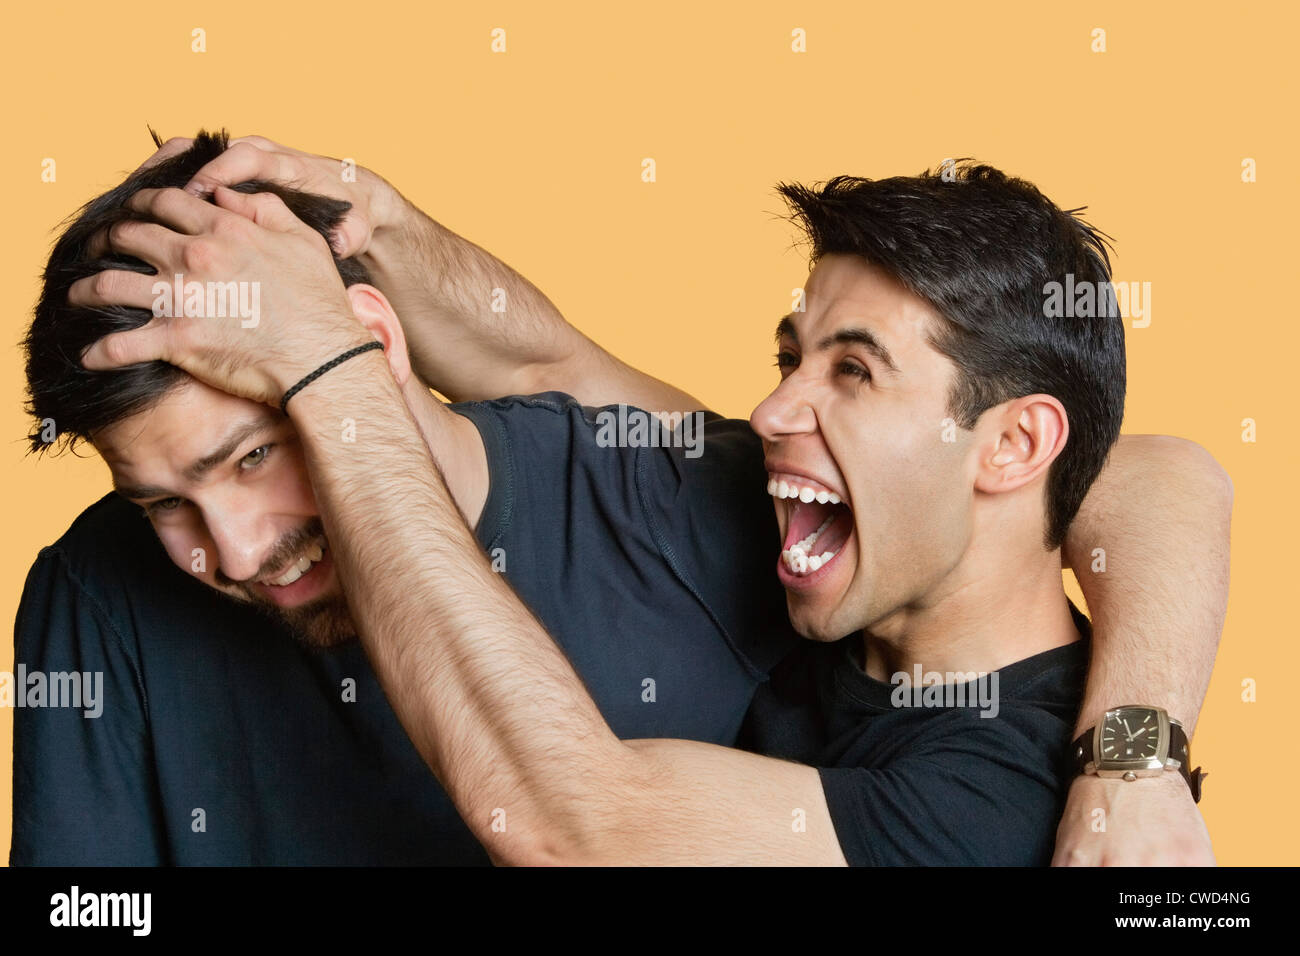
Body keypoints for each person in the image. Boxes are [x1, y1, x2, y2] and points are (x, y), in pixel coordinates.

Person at [17, 131, 1227, 864]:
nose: (768, 412)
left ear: (1013, 445)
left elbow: (569, 823)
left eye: (852, 369)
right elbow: (1159, 468)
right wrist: (383, 227)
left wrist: (332, 377)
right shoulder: (779, 519)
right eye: (789, 355)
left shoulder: (1007, 804)